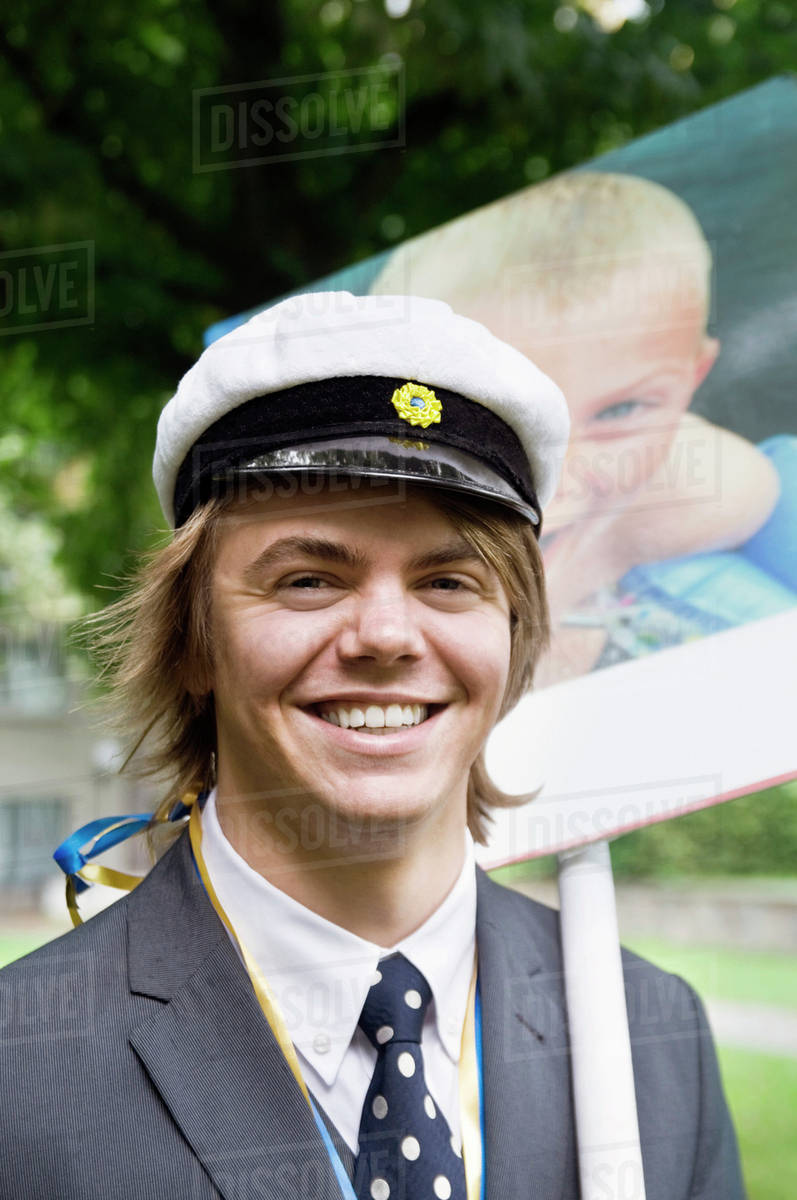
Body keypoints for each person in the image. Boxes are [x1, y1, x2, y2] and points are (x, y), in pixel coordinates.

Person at [0, 292, 744, 1200]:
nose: (386, 635)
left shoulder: (650, 1033)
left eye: (446, 580)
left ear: (514, 636)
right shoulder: (19, 1070)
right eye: (309, 578)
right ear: (192, 638)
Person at [370, 172, 781, 683]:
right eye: (503, 422)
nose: (565, 469)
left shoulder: (643, 505)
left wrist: (593, 558)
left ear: (692, 378)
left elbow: (747, 482)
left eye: (618, 413)